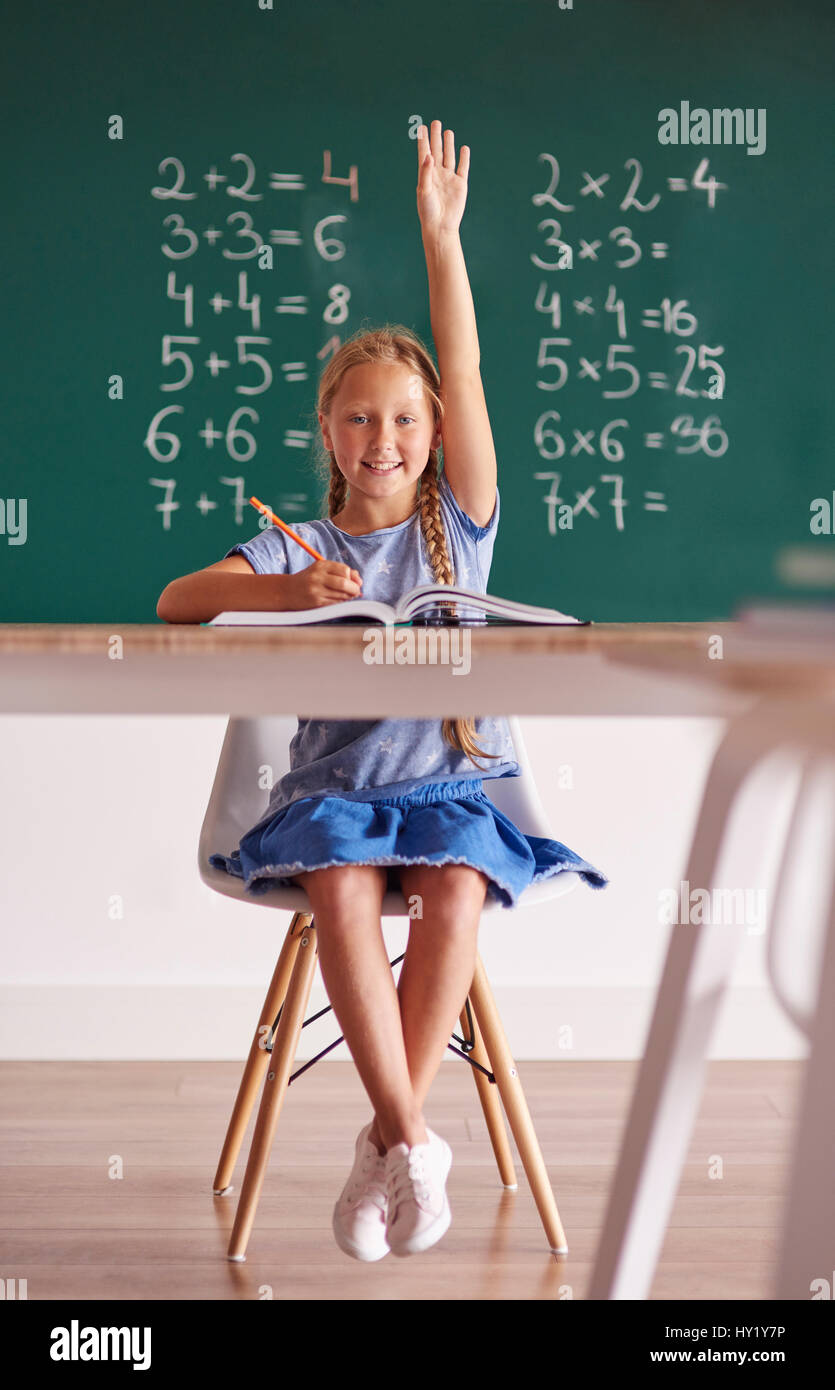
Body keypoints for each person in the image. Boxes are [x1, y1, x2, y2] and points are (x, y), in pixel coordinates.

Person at [158, 120, 608, 1263]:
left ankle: (382, 1147)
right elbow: (176, 600)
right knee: (344, 885)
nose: (383, 435)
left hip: (457, 787)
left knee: (456, 889)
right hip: (341, 795)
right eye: (359, 416)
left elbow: (459, 366)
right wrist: (286, 591)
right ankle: (413, 1136)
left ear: (437, 435)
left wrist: (441, 239)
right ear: (327, 429)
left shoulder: (460, 527)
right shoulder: (298, 544)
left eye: (404, 419)